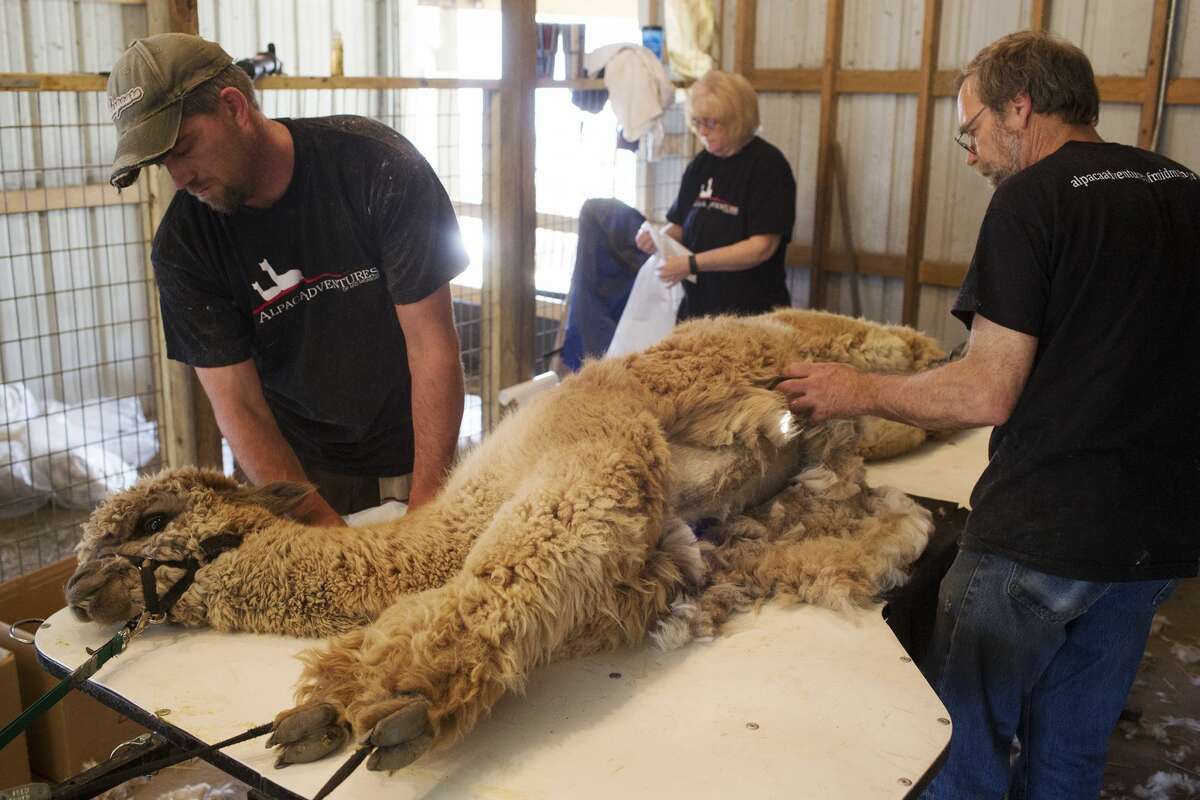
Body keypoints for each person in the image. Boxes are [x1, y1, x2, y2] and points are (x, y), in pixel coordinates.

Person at [776, 32, 1199, 799]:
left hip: (1046, 534)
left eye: (972, 132)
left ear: (1020, 107)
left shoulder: (1031, 202)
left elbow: (985, 391)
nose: (971, 156)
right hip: (1162, 539)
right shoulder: (1185, 187)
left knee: (959, 752)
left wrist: (854, 388)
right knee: (1069, 757)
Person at [106, 34, 468, 526]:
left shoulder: (376, 167)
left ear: (234, 107)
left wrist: (430, 507)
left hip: (418, 447)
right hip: (297, 471)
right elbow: (238, 405)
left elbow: (432, 346)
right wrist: (318, 529)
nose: (179, 178)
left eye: (184, 148)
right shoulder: (184, 246)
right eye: (162, 163)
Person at [636, 69, 796, 321]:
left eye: (711, 123)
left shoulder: (767, 166)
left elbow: (761, 247)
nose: (703, 132)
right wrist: (657, 238)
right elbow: (679, 225)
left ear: (738, 120)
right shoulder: (702, 164)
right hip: (698, 312)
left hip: (751, 314)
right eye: (697, 122)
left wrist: (692, 263)